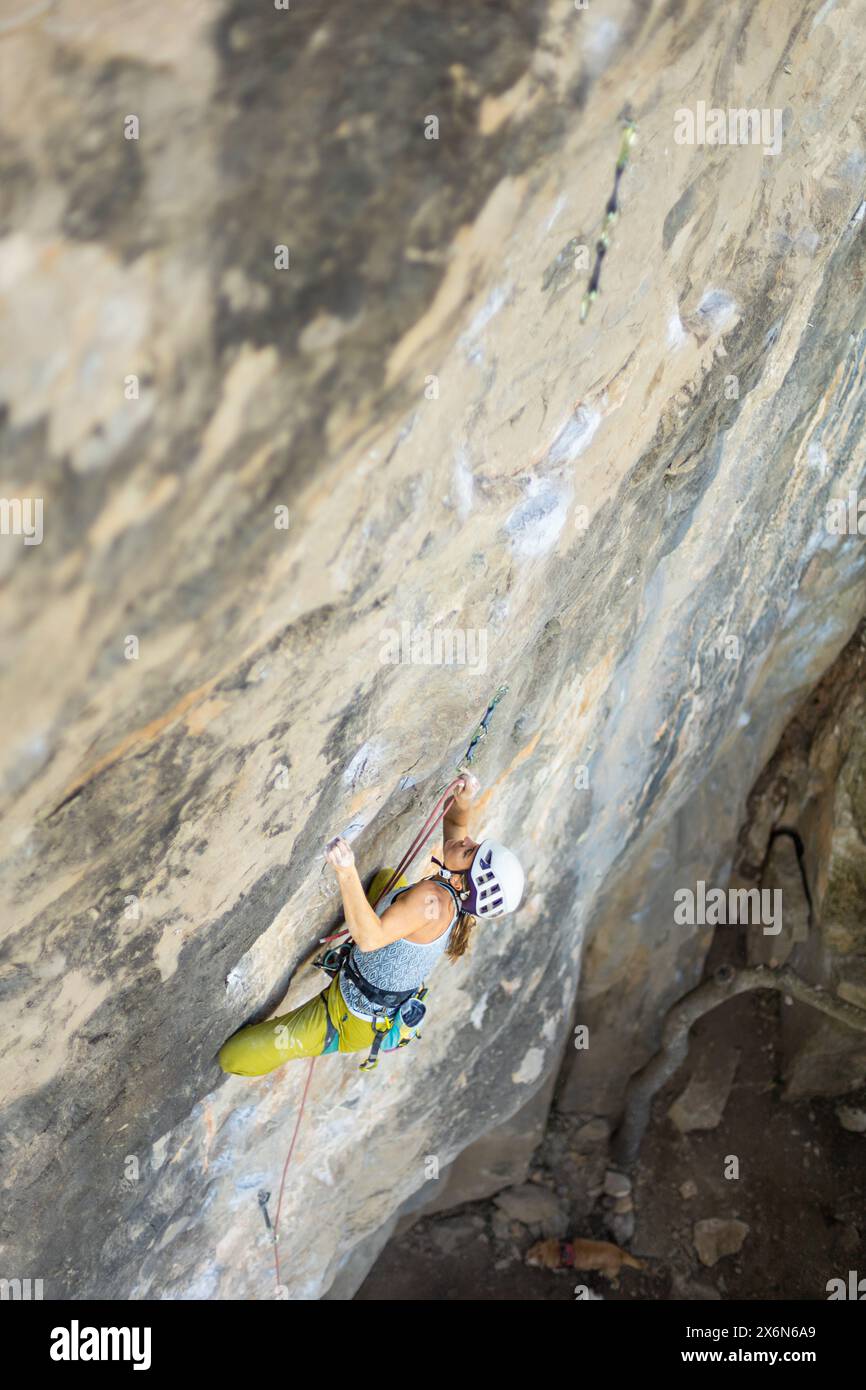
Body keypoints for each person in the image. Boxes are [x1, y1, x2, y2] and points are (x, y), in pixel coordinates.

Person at [218, 774, 524, 1076]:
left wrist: (345, 871)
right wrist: (465, 798)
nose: (467, 841)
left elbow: (369, 939)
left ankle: (286, 1039)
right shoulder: (454, 896)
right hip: (374, 984)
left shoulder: (431, 901)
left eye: (470, 851)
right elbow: (456, 828)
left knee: (235, 1057)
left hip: (349, 1017)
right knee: (385, 879)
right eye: (475, 845)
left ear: (464, 882)